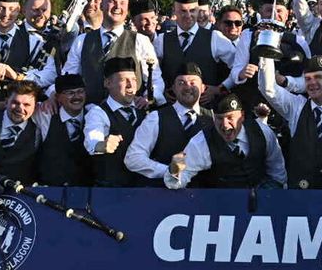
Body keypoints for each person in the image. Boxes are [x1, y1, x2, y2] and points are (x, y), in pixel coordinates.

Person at [258, 55, 322, 189]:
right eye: (308, 79)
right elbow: (268, 89)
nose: (312, 82)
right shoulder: (297, 107)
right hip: (300, 198)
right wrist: (267, 50)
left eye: (318, 77)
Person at [163, 92, 287, 189]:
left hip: (261, 195)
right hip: (223, 202)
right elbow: (174, 183)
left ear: (242, 116)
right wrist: (174, 171)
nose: (225, 125)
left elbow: (277, 170)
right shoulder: (201, 142)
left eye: (230, 118)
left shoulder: (262, 131)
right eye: (219, 119)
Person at [65, 0, 165, 105]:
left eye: (122, 3)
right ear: (102, 5)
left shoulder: (140, 41)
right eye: (112, 2)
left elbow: (155, 79)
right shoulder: (82, 41)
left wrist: (148, 98)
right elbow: (68, 77)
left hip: (130, 117)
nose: (118, 7)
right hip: (91, 113)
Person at [124, 64, 212, 186]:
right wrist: (169, 171)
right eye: (181, 83)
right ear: (173, 88)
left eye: (193, 82)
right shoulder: (156, 118)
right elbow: (133, 158)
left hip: (204, 196)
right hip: (163, 196)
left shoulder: (213, 119)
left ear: (203, 88)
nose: (187, 87)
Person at [154, 0, 236, 100]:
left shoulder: (215, 38)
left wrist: (220, 88)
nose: (188, 15)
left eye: (192, 10)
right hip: (171, 111)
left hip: (205, 112)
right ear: (174, 10)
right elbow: (151, 72)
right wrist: (161, 91)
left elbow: (238, 65)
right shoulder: (161, 40)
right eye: (183, 11)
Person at [83, 57, 149, 187]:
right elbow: (92, 139)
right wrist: (101, 145)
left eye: (134, 80)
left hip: (141, 189)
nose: (131, 85)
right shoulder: (98, 113)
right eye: (124, 80)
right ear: (107, 83)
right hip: (111, 190)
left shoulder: (144, 112)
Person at [35, 73, 93, 186]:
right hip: (50, 190)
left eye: (80, 91)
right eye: (70, 93)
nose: (77, 97)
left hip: (86, 191)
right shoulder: (45, 114)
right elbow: (16, 105)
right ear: (57, 97)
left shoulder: (93, 113)